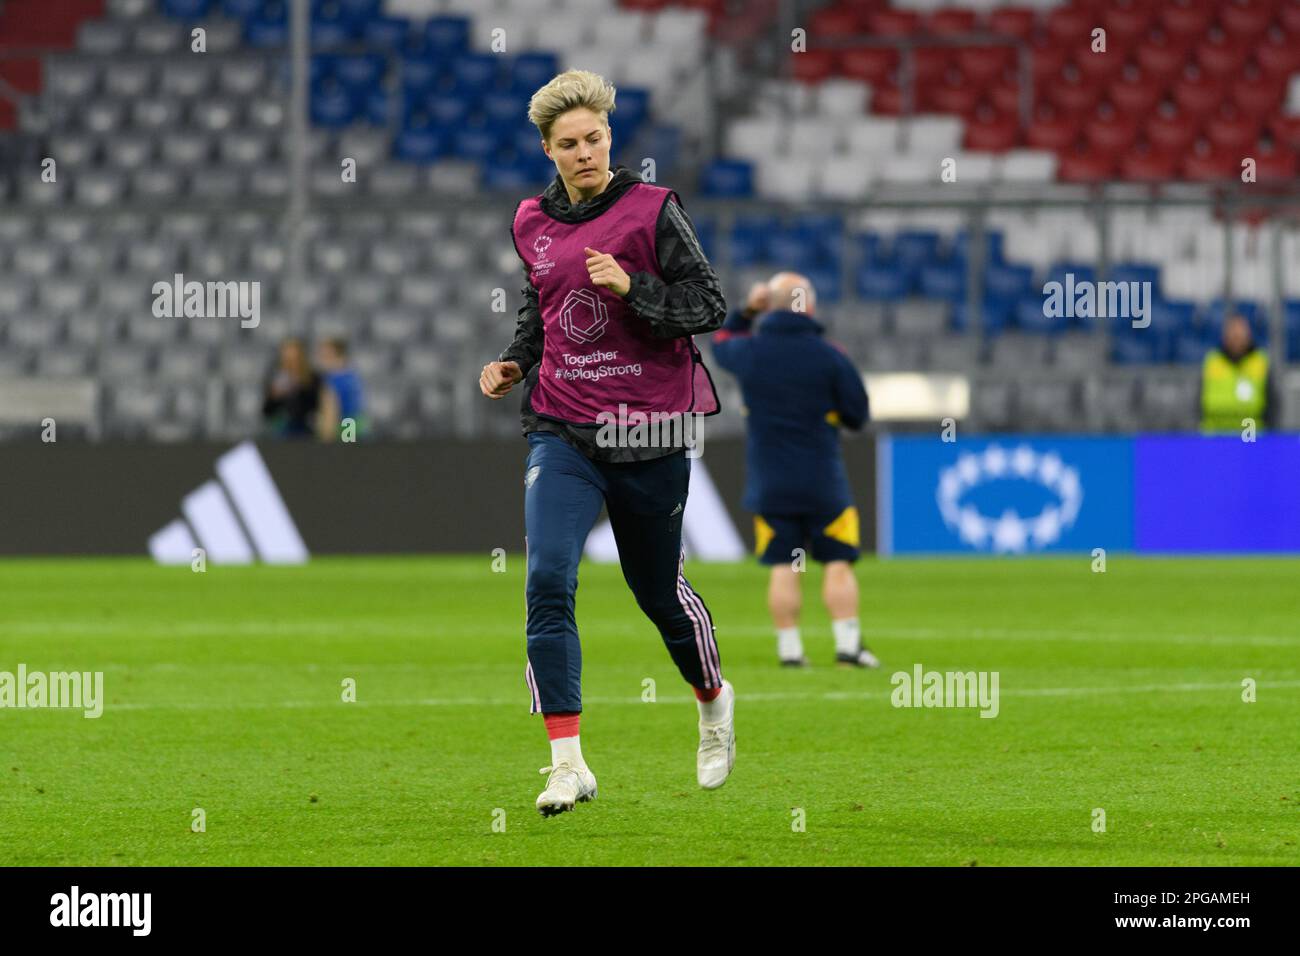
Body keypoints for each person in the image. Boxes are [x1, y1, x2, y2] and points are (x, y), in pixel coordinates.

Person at [477, 69, 732, 817]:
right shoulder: (531, 222)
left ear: (610, 138)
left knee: (656, 594)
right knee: (547, 580)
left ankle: (713, 703)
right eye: (568, 144)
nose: (584, 153)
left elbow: (708, 303)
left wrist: (631, 288)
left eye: (594, 139)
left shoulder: (654, 211)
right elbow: (542, 307)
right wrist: (515, 361)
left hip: (649, 428)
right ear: (548, 150)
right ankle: (567, 763)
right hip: (562, 428)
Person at [710, 273, 879, 669]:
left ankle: (790, 651)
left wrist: (747, 311)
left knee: (785, 565)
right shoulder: (830, 354)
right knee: (838, 562)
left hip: (772, 484)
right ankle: (848, 648)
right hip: (824, 483)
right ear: (811, 307)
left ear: (769, 304)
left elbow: (719, 345)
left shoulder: (750, 351)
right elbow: (858, 414)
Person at [1200, 313, 1277, 433]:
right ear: (1225, 336)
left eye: (1240, 334)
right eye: (1233, 333)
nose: (1236, 337)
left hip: (1251, 436)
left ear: (1249, 335)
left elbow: (1273, 404)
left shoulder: (1260, 362)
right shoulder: (1212, 361)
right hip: (1215, 437)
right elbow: (1196, 403)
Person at [262, 337, 321, 439]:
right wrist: (275, 396)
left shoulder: (312, 378)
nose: (290, 359)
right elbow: (267, 411)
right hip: (281, 430)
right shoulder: (275, 377)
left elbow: (317, 406)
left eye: (294, 356)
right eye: (286, 355)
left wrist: (299, 387)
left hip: (306, 430)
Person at [314, 337, 367, 441]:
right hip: (358, 430)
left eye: (324, 355)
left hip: (344, 432)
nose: (321, 359)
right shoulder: (354, 376)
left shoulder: (331, 382)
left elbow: (330, 417)